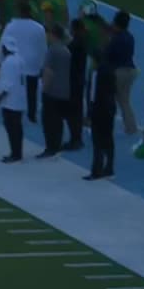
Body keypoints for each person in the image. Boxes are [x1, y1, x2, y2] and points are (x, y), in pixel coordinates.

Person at [3, 2, 47, 124]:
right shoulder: (39, 28)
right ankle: (32, 115)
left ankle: (14, 111)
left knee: (14, 88)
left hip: (15, 63)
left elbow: (4, 43)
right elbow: (43, 48)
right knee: (32, 92)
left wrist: (1, 61)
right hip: (32, 64)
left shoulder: (11, 26)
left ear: (19, 12)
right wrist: (43, 65)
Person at [39, 24, 72, 158]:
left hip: (52, 91)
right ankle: (57, 146)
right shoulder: (65, 50)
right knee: (58, 121)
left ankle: (50, 148)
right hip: (64, 91)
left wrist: (44, 89)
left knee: (48, 121)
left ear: (53, 35)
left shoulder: (52, 50)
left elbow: (48, 72)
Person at [0, 36, 27, 163]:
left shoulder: (8, 63)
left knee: (11, 128)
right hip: (20, 99)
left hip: (10, 101)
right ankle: (17, 152)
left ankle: (15, 154)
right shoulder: (20, 59)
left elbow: (7, 84)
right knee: (17, 127)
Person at [85, 56, 117, 180]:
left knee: (97, 141)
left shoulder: (95, 73)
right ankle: (109, 168)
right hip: (110, 108)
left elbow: (92, 95)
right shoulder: (111, 70)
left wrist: (89, 113)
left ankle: (96, 171)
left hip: (98, 110)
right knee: (108, 138)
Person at [108, 10, 139, 136]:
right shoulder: (130, 37)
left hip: (118, 72)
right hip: (131, 71)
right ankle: (131, 127)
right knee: (124, 101)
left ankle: (105, 125)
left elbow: (108, 55)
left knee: (108, 99)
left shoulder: (115, 39)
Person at [65, 17, 88, 151]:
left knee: (72, 112)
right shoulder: (82, 42)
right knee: (77, 111)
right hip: (79, 80)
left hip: (72, 82)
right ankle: (77, 138)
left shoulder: (74, 45)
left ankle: (75, 139)